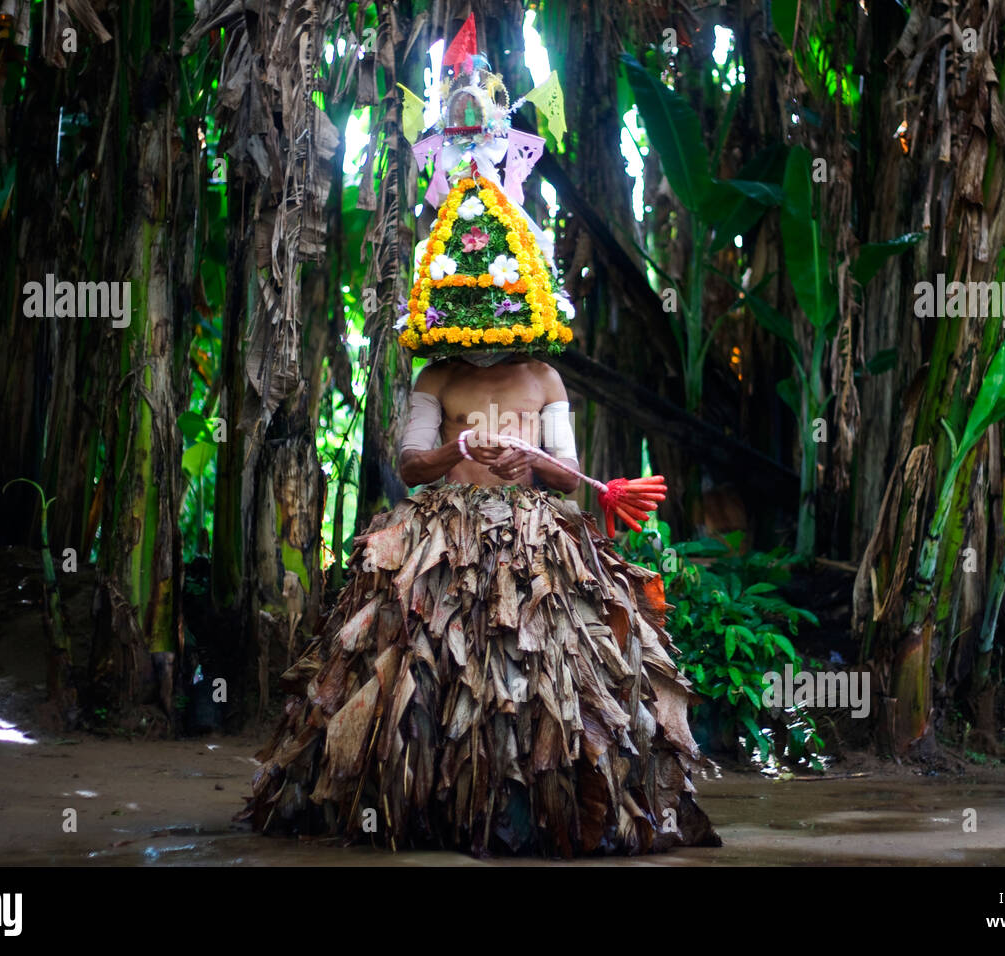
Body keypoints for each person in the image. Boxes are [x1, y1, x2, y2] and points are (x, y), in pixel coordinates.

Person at [240, 18, 719, 857]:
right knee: (418, 682)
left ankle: (551, 805)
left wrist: (527, 458)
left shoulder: (544, 381)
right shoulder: (438, 380)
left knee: (550, 685)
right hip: (445, 539)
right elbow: (413, 466)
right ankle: (419, 803)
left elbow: (568, 478)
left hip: (541, 547)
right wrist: (458, 455)